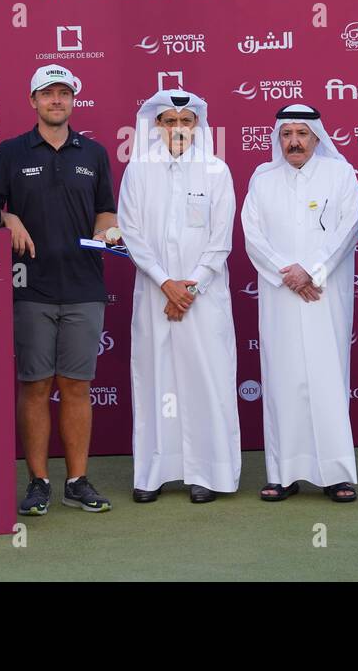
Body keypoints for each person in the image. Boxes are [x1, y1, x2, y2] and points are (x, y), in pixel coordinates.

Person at [0, 64, 119, 515]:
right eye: (47, 94)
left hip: (84, 284)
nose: (56, 101)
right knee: (36, 385)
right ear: (33, 101)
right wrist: (8, 216)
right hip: (30, 285)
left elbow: (105, 210)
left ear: (73, 101)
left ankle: (76, 481)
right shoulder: (10, 152)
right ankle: (38, 481)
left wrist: (108, 229)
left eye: (64, 93)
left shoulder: (95, 153)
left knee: (77, 386)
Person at [118, 89, 240, 504]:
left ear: (197, 126)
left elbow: (221, 240)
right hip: (154, 294)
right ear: (156, 126)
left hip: (202, 298)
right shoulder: (137, 172)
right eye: (169, 121)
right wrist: (165, 282)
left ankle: (208, 472)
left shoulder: (216, 171)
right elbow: (131, 234)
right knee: (156, 378)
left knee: (205, 380)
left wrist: (190, 287)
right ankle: (154, 472)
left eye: (185, 122)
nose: (178, 129)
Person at [241, 104, 358, 503]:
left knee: (329, 379)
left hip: (324, 293)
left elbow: (348, 229)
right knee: (282, 380)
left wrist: (312, 271)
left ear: (316, 137)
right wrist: (286, 271)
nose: (294, 141)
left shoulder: (340, 173)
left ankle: (336, 473)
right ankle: (283, 473)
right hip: (280, 294)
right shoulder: (263, 178)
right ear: (279, 138)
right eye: (287, 134)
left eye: (302, 133)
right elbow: (252, 234)